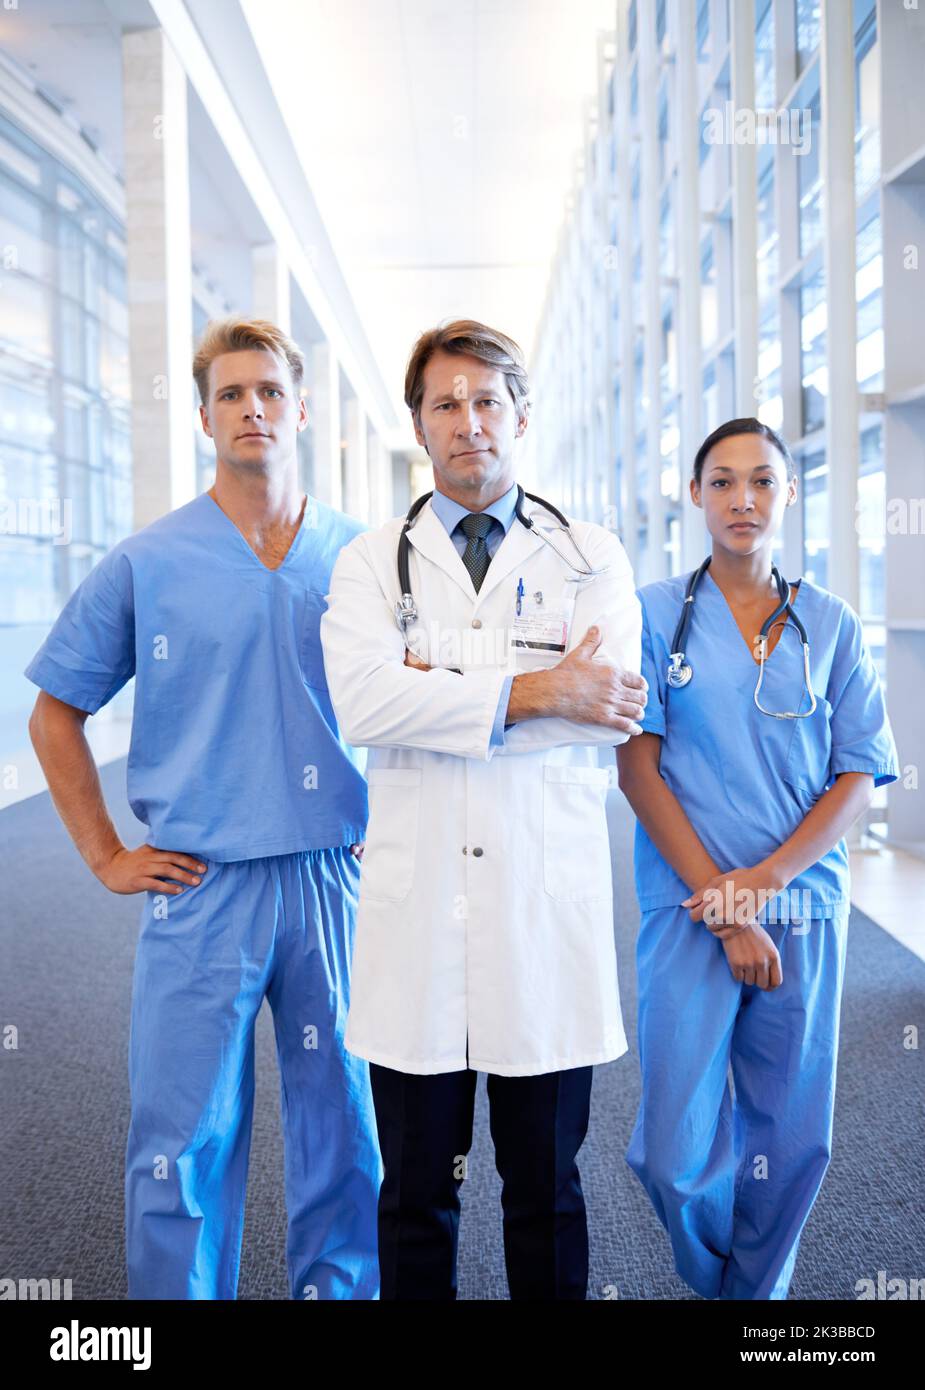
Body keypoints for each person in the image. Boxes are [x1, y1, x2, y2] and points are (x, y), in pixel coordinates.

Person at [25, 317, 381, 1300]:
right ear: (202, 417)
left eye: (269, 390)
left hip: (332, 880)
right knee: (181, 1138)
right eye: (231, 394)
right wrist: (104, 854)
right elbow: (54, 712)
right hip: (199, 883)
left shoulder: (360, 557)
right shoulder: (149, 560)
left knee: (348, 1129)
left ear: (300, 408)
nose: (252, 408)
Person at [319, 319, 647, 1300]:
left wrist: (441, 681)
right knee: (415, 1194)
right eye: (445, 404)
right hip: (419, 928)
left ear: (521, 414)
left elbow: (609, 706)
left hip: (539, 920)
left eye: (487, 400)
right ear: (418, 426)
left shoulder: (589, 557)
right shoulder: (374, 562)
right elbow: (365, 703)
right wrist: (534, 689)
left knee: (546, 1189)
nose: (469, 422)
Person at [616, 417, 899, 1300]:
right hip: (690, 907)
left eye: (764, 481)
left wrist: (766, 886)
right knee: (671, 1149)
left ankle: (755, 1306)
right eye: (724, 481)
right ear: (695, 496)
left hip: (802, 905)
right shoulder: (653, 615)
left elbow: (858, 771)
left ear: (786, 493)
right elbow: (637, 769)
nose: (743, 498)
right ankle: (718, 1283)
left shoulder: (830, 622)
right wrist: (727, 904)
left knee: (788, 1135)